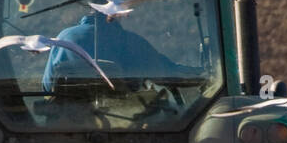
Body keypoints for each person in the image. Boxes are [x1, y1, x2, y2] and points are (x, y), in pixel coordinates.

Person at [42, 11, 197, 94]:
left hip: (67, 119)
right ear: (115, 16)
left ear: (89, 15)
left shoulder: (64, 36)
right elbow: (165, 72)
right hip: (125, 121)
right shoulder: (130, 40)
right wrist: (204, 75)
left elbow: (48, 85)